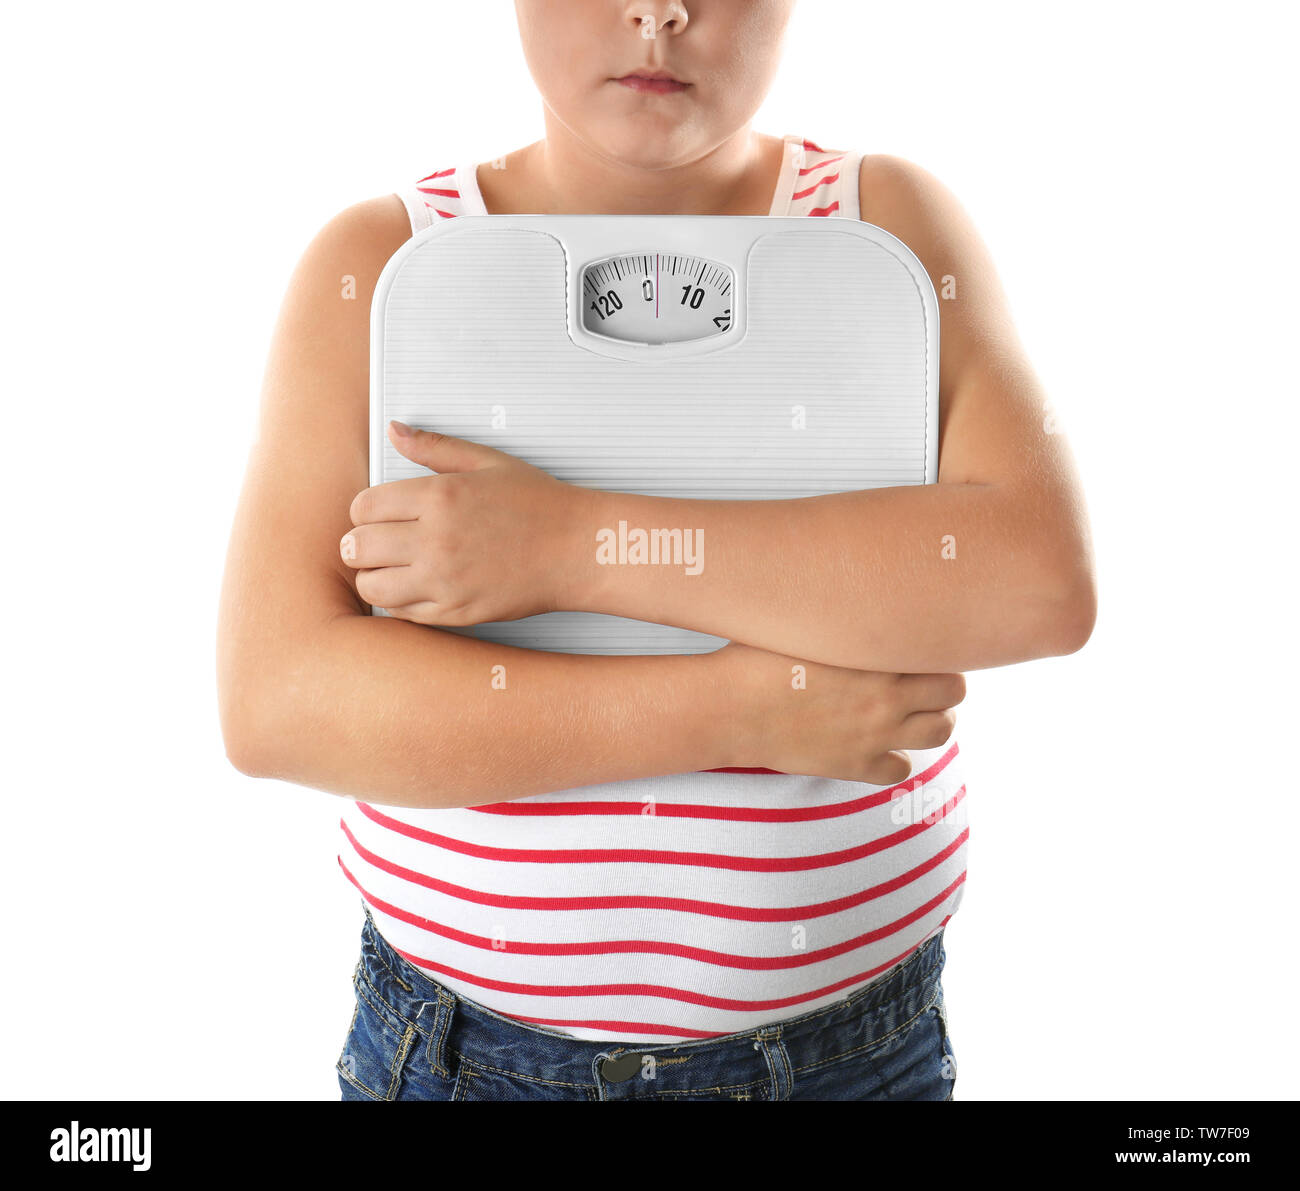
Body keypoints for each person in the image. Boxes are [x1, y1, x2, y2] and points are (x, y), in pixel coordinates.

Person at [217, 0, 1096, 1101]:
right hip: (457, 1057)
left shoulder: (887, 230)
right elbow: (277, 702)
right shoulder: (384, 265)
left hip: (852, 1055)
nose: (656, 12)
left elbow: (1034, 583)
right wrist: (737, 709)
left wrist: (573, 547)